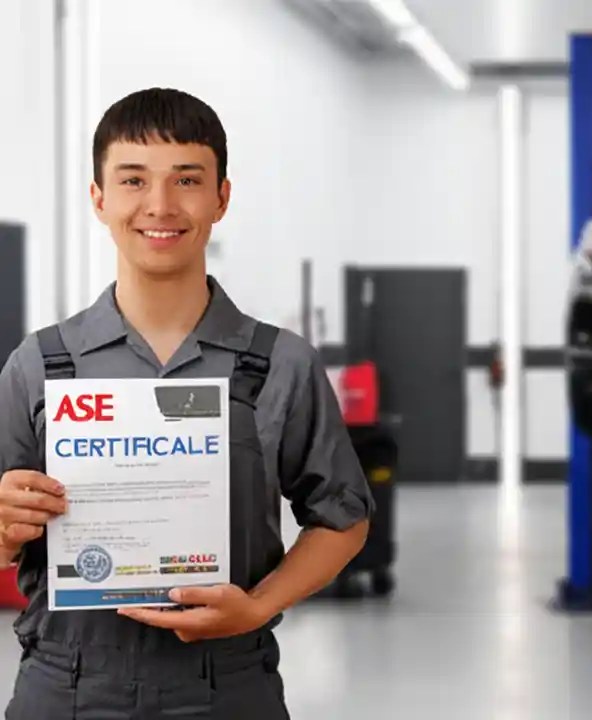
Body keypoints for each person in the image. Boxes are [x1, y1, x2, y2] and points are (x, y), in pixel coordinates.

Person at [0, 88, 374, 718]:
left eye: (187, 179)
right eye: (133, 180)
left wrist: (257, 607)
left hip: (225, 685)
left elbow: (343, 519)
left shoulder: (282, 363)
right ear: (99, 198)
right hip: (66, 686)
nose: (160, 205)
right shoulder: (39, 366)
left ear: (221, 197)